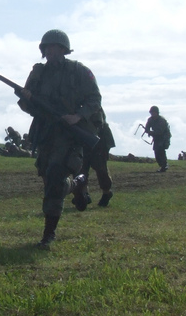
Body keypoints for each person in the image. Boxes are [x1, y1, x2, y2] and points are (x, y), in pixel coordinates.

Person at [17, 29, 103, 248]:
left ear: (64, 50)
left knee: (55, 177)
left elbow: (95, 99)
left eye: (55, 47)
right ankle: (77, 184)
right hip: (46, 131)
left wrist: (77, 116)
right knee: (48, 177)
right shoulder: (38, 73)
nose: (51, 51)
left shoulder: (78, 71)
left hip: (70, 133)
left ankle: (48, 235)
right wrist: (26, 99)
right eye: (47, 48)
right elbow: (29, 107)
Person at [75, 109, 116, 209]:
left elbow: (98, 123)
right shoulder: (75, 103)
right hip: (83, 139)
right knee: (81, 169)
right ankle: (84, 193)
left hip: (99, 140)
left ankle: (106, 192)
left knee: (101, 168)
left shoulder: (93, 104)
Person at [142, 106, 172, 172]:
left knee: (161, 150)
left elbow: (160, 132)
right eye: (152, 112)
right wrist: (147, 130)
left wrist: (151, 132)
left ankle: (164, 165)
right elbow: (148, 127)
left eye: (154, 112)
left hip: (164, 137)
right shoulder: (150, 119)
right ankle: (162, 165)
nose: (152, 114)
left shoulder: (162, 120)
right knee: (156, 151)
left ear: (157, 113)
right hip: (157, 138)